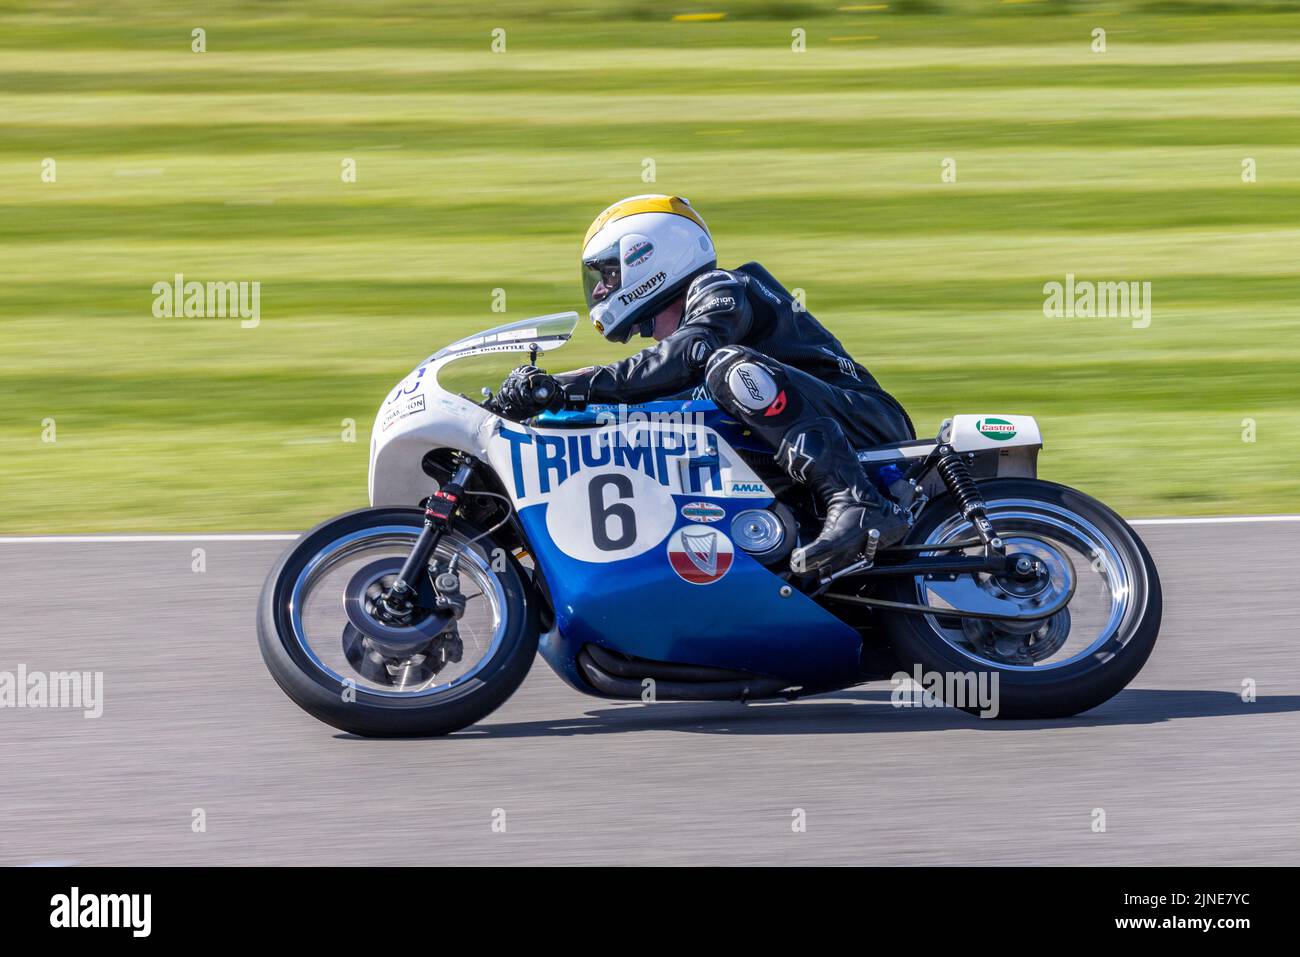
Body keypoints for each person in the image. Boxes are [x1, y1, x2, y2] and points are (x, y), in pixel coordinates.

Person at [493, 194, 914, 574]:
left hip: (866, 422)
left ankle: (857, 501)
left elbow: (688, 353)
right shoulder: (682, 345)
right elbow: (648, 382)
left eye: (608, 272)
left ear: (650, 257)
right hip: (802, 439)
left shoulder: (722, 288)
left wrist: (565, 385)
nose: (601, 288)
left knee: (728, 365)